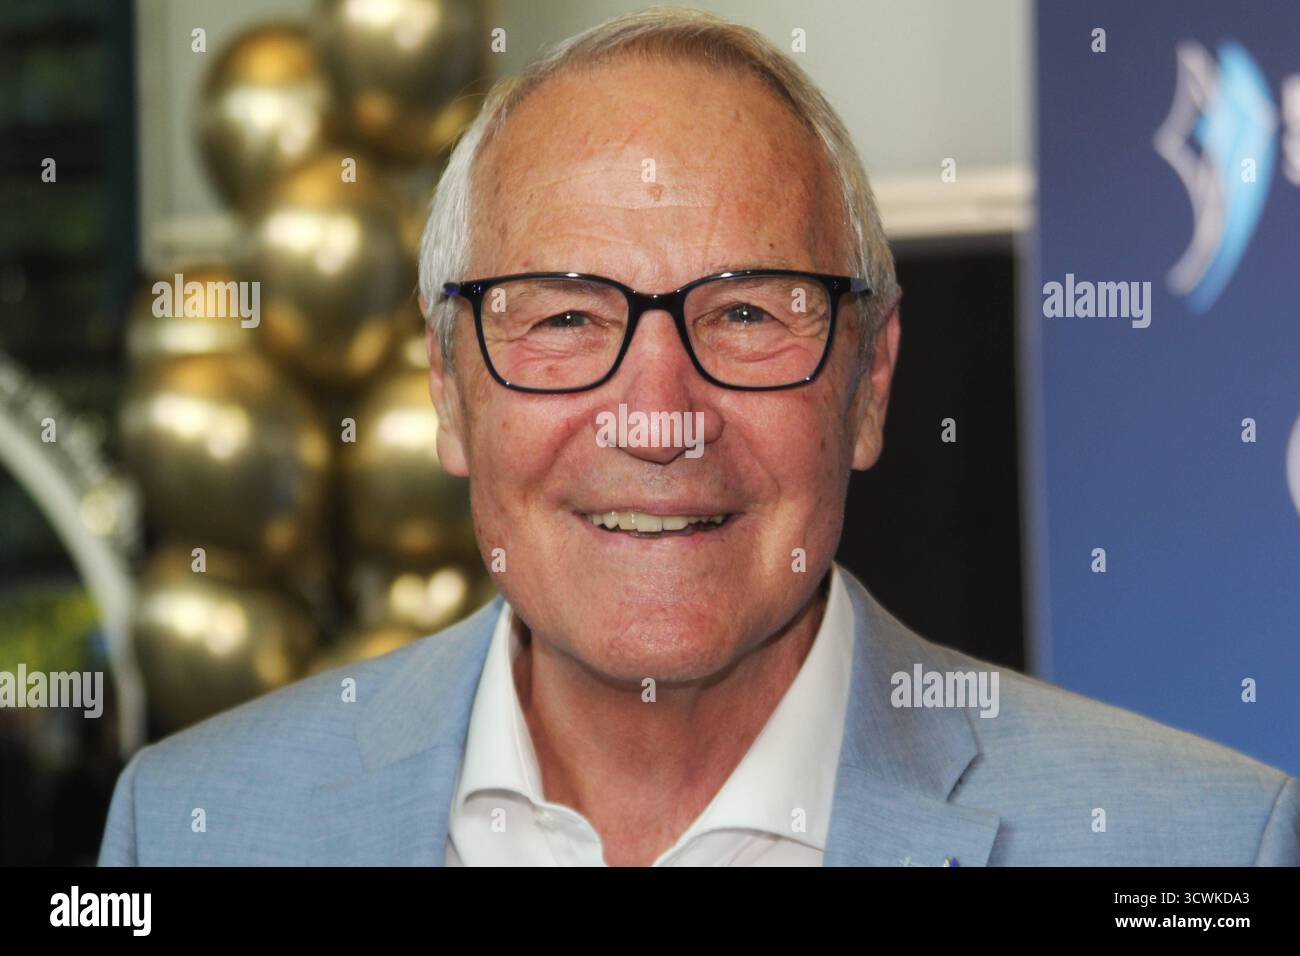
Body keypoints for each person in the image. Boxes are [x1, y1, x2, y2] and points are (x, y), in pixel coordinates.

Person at [100, 7, 1298, 867]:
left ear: (870, 382)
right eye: (568, 314)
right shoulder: (191, 826)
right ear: (450, 387)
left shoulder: (1201, 849)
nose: (660, 414)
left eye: (745, 312)